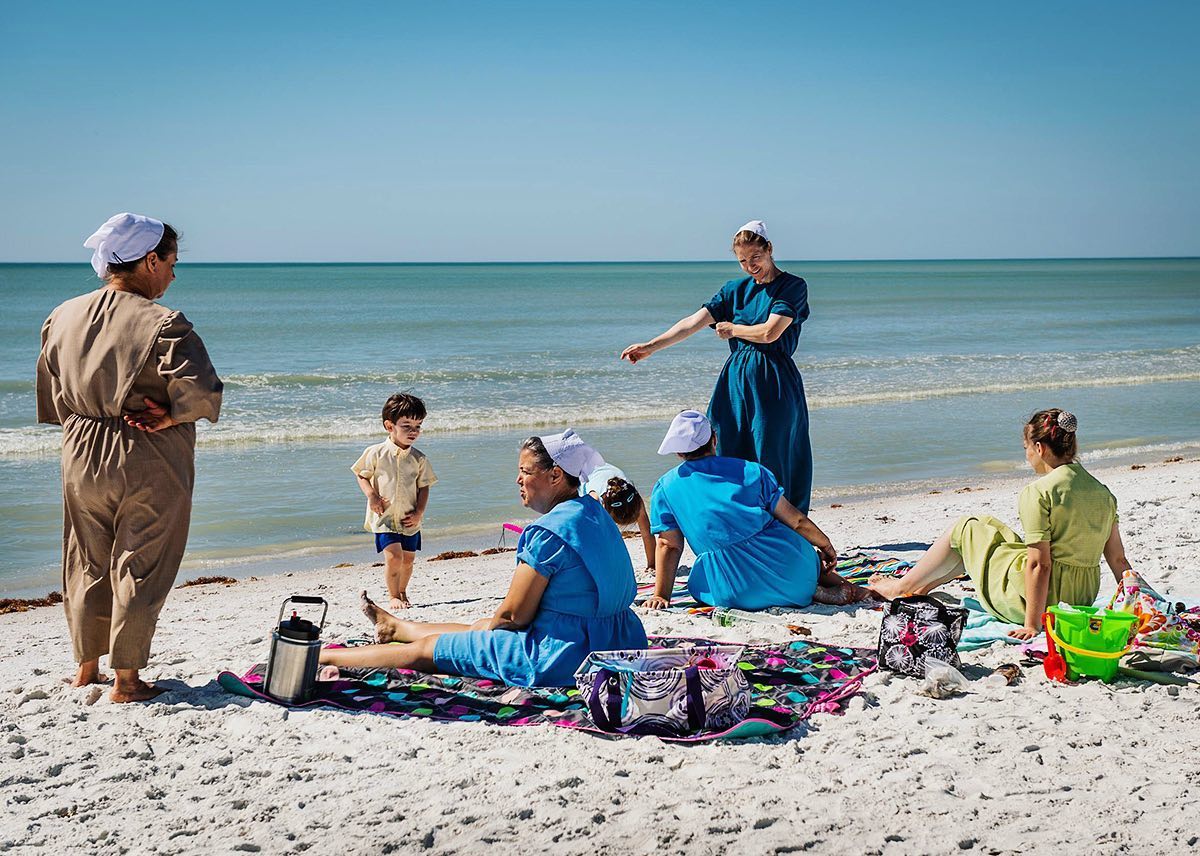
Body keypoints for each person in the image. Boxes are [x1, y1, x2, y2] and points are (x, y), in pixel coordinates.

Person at [36, 213, 223, 703]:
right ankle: (128, 680)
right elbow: (202, 391)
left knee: (85, 557)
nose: (173, 275)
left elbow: (53, 389)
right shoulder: (164, 323)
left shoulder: (63, 314)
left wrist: (87, 419)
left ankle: (85, 668)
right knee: (142, 561)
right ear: (149, 259)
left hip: (80, 448)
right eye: (171, 263)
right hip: (146, 451)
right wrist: (172, 415)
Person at [322, 429, 648, 687]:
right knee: (481, 627)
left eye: (525, 471)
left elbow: (512, 616)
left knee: (428, 650)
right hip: (619, 637)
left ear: (555, 476)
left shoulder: (548, 532)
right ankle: (396, 627)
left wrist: (494, 629)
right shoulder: (595, 513)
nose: (518, 479)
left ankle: (324, 659)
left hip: (562, 655)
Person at [868, 409, 1133, 640]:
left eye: (1026, 449)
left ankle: (901, 588)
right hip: (1081, 599)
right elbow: (1118, 561)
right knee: (987, 527)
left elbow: (1040, 564)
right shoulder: (1103, 493)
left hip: (1038, 602)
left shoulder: (1040, 492)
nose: (1028, 455)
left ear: (1039, 448)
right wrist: (1140, 600)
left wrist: (1032, 624)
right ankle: (920, 588)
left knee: (965, 528)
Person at [621, 220, 815, 512]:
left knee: (773, 452)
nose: (750, 266)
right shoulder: (733, 290)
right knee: (727, 450)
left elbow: (769, 332)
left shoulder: (792, 287)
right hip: (734, 383)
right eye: (743, 261)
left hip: (774, 381)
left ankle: (786, 530)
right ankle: (738, 520)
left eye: (755, 258)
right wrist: (650, 347)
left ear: (770, 249)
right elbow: (691, 323)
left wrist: (734, 329)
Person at [643, 411, 869, 611]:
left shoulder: (665, 487)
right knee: (793, 550)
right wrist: (825, 544)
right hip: (791, 569)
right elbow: (797, 521)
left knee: (702, 583)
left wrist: (661, 595)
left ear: (679, 452)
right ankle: (818, 588)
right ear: (714, 438)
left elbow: (668, 545)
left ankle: (806, 590)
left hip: (732, 591)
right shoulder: (750, 470)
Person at [351, 393, 437, 610]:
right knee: (395, 558)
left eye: (418, 425)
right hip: (385, 517)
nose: (413, 431)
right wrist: (371, 495)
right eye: (406, 425)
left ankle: (402, 590)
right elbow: (361, 474)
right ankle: (393, 596)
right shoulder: (375, 453)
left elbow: (424, 486)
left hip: (410, 518)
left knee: (408, 561)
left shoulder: (419, 458)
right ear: (389, 426)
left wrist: (419, 512)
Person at [578, 457, 655, 574]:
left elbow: (647, 533)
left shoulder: (633, 496)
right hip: (582, 475)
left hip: (598, 467)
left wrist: (652, 564)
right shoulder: (595, 500)